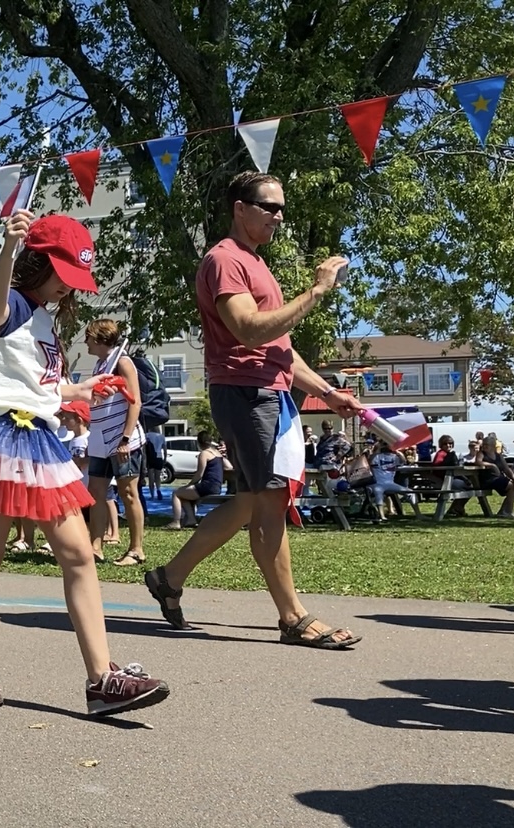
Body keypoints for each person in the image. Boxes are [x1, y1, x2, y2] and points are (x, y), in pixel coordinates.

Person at [0, 210, 169, 715]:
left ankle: (101, 679)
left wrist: (78, 389)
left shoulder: (44, 321)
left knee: (80, 555)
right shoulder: (14, 302)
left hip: (41, 440)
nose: (71, 289)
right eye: (66, 274)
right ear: (40, 262)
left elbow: (40, 385)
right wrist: (6, 251)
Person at [142, 172, 363, 649]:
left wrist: (327, 390)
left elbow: (279, 347)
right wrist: (318, 291)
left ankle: (168, 577)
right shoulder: (224, 260)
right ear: (239, 208)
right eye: (269, 206)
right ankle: (292, 616)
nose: (278, 216)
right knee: (269, 502)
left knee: (249, 501)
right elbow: (250, 331)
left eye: (281, 208)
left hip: (269, 393)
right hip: (245, 394)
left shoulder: (254, 264)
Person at [81, 319, 147, 567]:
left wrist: (126, 439)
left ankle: (136, 549)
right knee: (96, 493)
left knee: (128, 493)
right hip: (99, 438)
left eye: (88, 337)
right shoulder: (100, 365)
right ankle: (95, 546)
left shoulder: (122, 361)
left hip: (121, 439)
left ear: (98, 339)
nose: (86, 342)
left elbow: (135, 402)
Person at [165, 432, 228, 529]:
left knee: (176, 493)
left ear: (199, 443)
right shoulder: (218, 454)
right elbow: (229, 466)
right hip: (216, 486)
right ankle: (191, 520)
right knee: (184, 495)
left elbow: (199, 474)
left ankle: (176, 522)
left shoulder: (204, 454)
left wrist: (189, 484)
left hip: (207, 486)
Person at [476, 436, 514, 518]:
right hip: (488, 480)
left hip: (498, 479)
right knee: (512, 487)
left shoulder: (498, 456)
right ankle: (508, 511)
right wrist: (492, 465)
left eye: (487, 445)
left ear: (493, 446)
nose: (484, 446)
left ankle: (503, 511)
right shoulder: (481, 454)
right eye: (484, 444)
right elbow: (478, 462)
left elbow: (506, 469)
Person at [144, 429, 167, 499]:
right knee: (157, 476)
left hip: (150, 458)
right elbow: (165, 449)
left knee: (151, 478)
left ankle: (152, 495)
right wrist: (165, 458)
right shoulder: (161, 436)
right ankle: (158, 489)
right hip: (159, 457)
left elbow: (144, 449)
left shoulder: (147, 435)